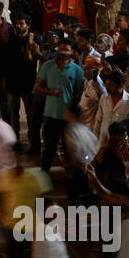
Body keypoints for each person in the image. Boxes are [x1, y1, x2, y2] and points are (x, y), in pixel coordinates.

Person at [34, 38, 84, 175]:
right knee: (48, 147)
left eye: (66, 50)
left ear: (72, 52)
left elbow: (80, 93)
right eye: (60, 49)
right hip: (50, 114)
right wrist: (50, 92)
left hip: (68, 117)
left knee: (68, 149)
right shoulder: (47, 66)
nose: (62, 52)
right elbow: (38, 86)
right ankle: (44, 175)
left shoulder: (77, 70)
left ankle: (69, 177)